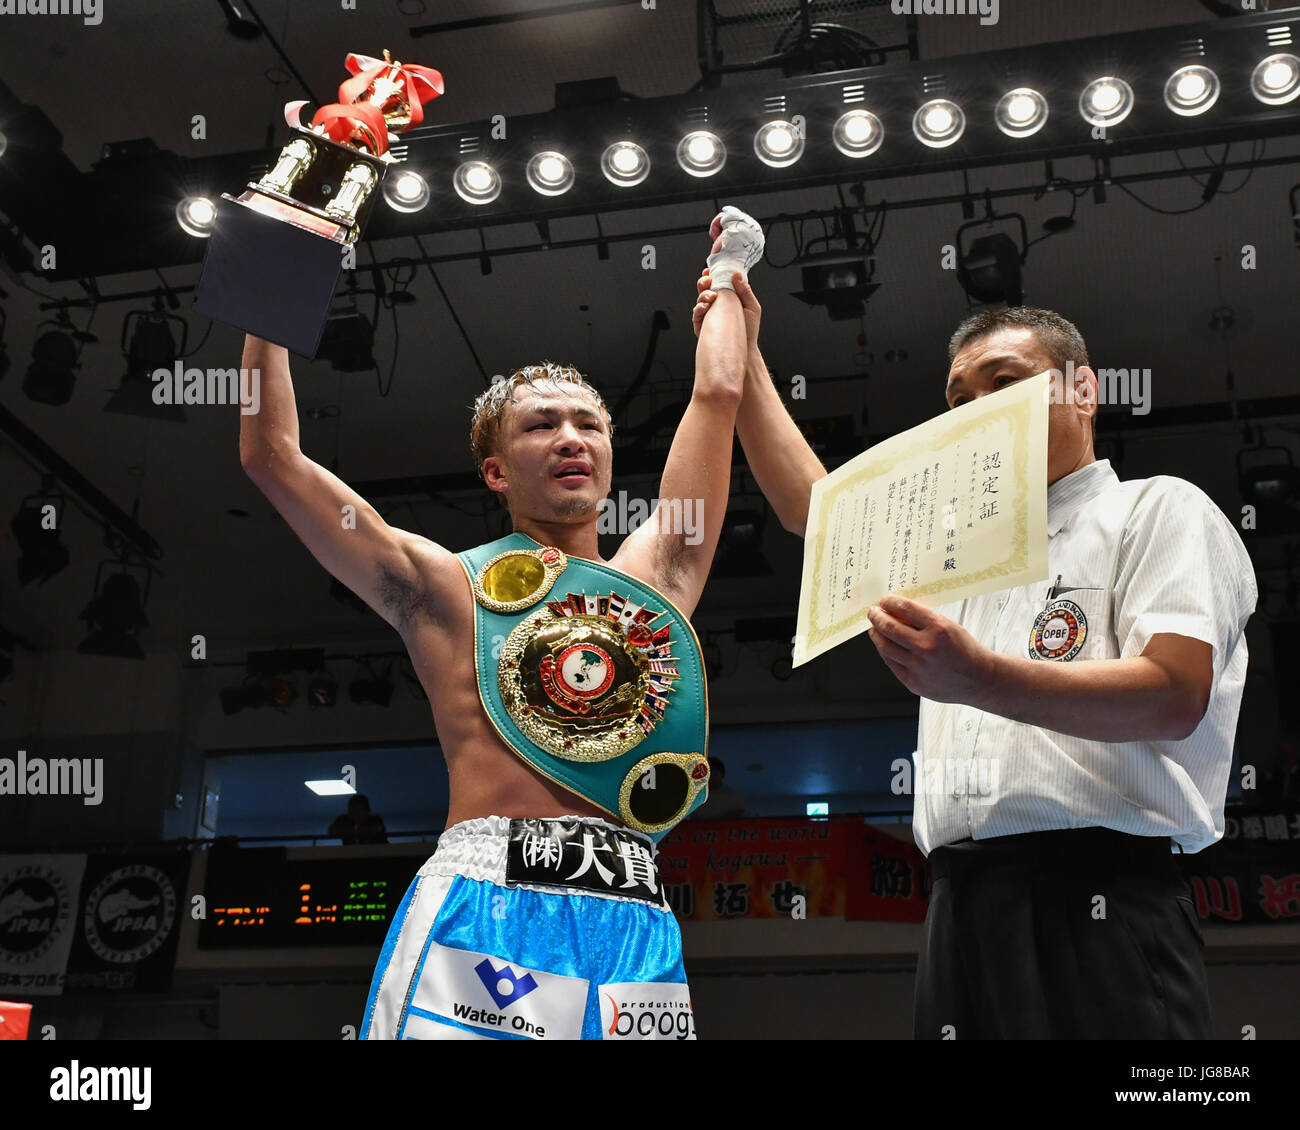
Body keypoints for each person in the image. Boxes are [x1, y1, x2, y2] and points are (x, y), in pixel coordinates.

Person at [239, 208, 762, 1040]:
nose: (571, 438)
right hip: (491, 904)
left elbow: (719, 394)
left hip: (635, 918)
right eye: (540, 425)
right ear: (494, 469)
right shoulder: (443, 588)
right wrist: (282, 253)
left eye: (588, 423)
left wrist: (732, 281)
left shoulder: (653, 585)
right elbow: (272, 456)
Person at [694, 277, 1257, 1040]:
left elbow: (1174, 692)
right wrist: (750, 351)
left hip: (1106, 895)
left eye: (1007, 383)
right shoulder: (951, 546)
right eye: (960, 398)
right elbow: (817, 514)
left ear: (1084, 390)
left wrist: (981, 678)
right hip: (958, 902)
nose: (980, 408)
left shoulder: (1158, 508)